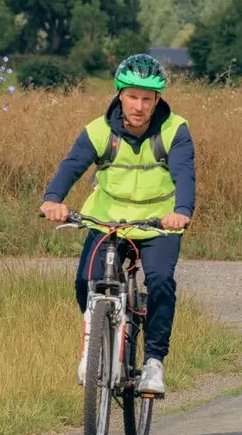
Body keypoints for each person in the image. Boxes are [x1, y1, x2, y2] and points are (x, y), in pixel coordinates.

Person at [40, 54, 193, 396]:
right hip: (108, 220)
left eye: (147, 98)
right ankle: (94, 346)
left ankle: (153, 362)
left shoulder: (174, 130)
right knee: (86, 281)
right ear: (120, 94)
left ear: (157, 99)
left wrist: (181, 211)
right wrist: (52, 200)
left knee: (160, 282)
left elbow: (185, 173)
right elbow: (72, 166)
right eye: (133, 96)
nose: (139, 106)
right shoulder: (99, 131)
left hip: (157, 224)